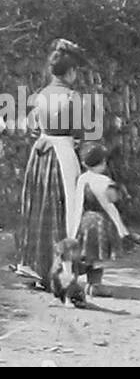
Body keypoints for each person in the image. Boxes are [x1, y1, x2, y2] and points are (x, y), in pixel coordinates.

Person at [15, 39, 89, 288]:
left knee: (39, 208)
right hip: (62, 155)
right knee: (64, 209)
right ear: (70, 72)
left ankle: (35, 267)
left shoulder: (39, 96)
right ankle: (61, 271)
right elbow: (80, 131)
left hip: (40, 155)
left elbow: (32, 128)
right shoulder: (72, 97)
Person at [69, 144, 129, 299]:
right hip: (101, 222)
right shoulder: (104, 181)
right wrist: (120, 227)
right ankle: (94, 285)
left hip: (86, 221)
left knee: (86, 254)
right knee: (98, 256)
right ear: (102, 163)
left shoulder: (82, 179)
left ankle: (72, 281)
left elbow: (78, 203)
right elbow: (111, 202)